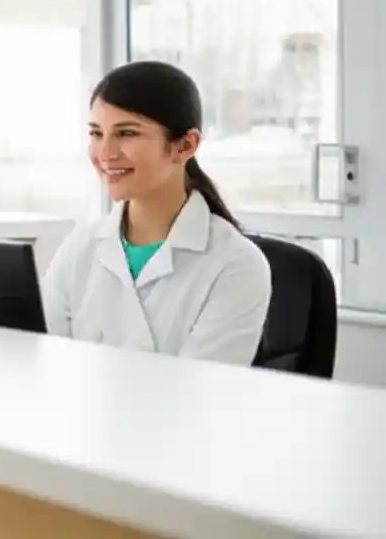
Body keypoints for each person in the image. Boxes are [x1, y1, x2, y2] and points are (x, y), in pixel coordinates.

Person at [41, 61, 271, 364]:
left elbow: (202, 387)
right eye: (96, 133)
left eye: (126, 133)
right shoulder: (79, 248)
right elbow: (42, 358)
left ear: (185, 146)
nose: (105, 153)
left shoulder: (237, 264)